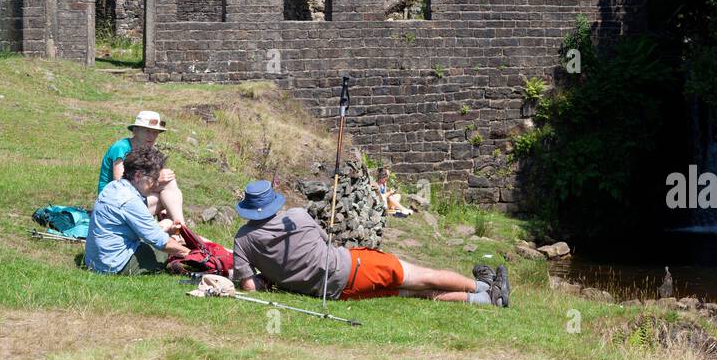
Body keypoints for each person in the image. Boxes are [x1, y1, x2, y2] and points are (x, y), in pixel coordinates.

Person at [230, 179, 510, 306]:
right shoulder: (296, 216)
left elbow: (248, 285)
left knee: (418, 293)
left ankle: (482, 300)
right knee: (423, 276)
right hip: (352, 266)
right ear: (272, 203)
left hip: (337, 293)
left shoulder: (243, 241)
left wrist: (268, 276)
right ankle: (485, 287)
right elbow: (323, 241)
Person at [85, 145, 191, 274]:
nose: (157, 184)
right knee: (168, 251)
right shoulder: (129, 200)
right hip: (115, 264)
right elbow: (160, 241)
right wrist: (190, 254)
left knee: (167, 231)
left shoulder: (113, 186)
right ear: (137, 176)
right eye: (154, 179)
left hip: (94, 261)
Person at [96, 110, 188, 229]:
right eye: (147, 131)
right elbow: (120, 184)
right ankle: (176, 228)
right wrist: (156, 179)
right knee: (166, 196)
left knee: (170, 185)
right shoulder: (122, 148)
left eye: (155, 132)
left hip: (131, 199)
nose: (151, 136)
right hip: (114, 204)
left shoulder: (147, 150)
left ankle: (178, 226)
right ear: (135, 131)